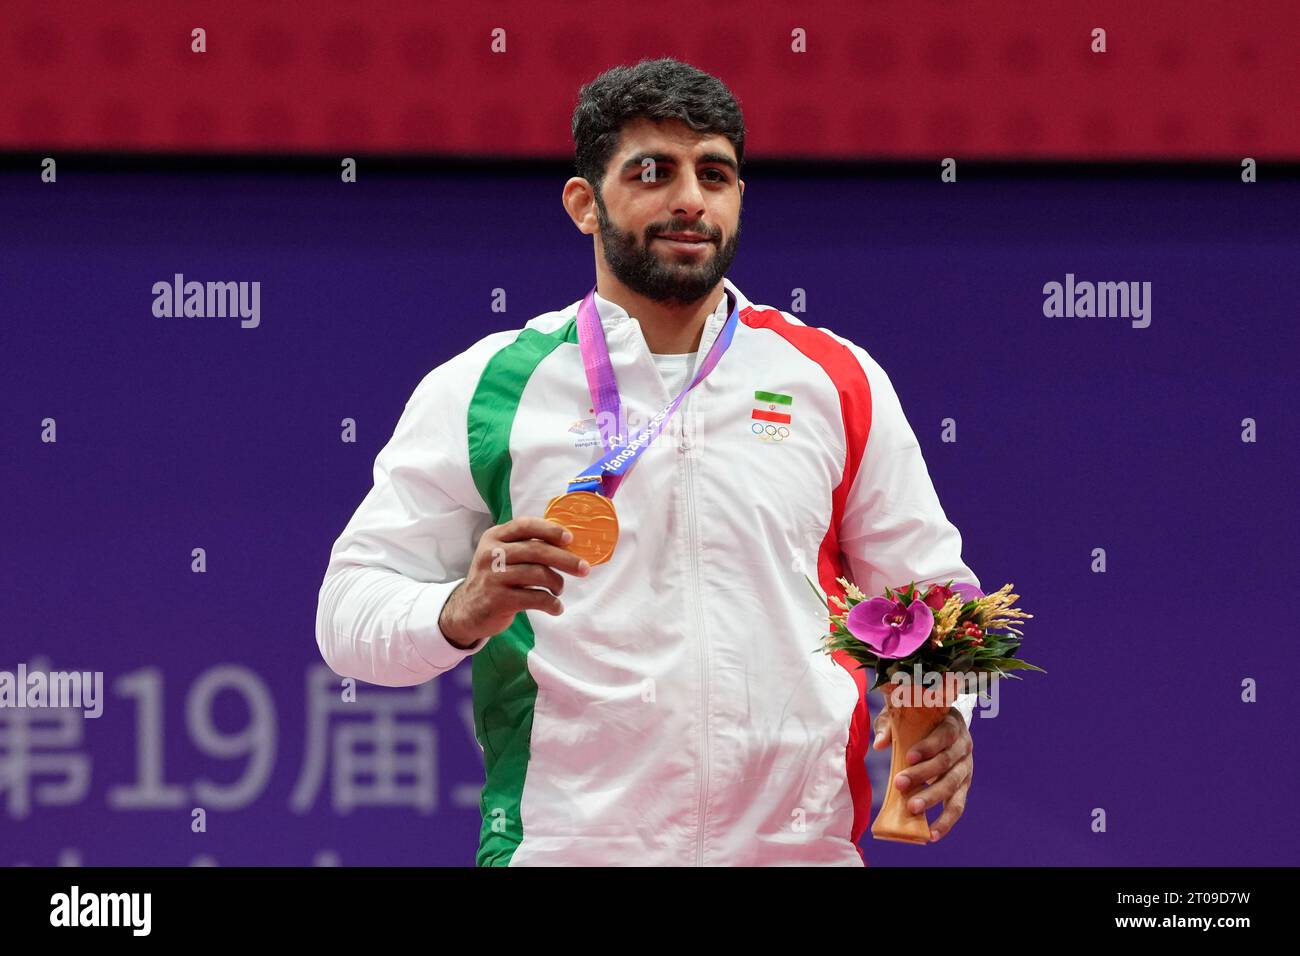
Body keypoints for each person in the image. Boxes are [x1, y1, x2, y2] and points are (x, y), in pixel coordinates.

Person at [315, 57, 980, 866]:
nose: (690, 199)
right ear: (584, 204)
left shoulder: (833, 378)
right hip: (566, 850)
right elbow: (348, 613)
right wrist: (459, 610)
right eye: (653, 172)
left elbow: (929, 591)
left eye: (715, 174)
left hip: (798, 851)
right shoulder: (489, 388)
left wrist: (946, 713)